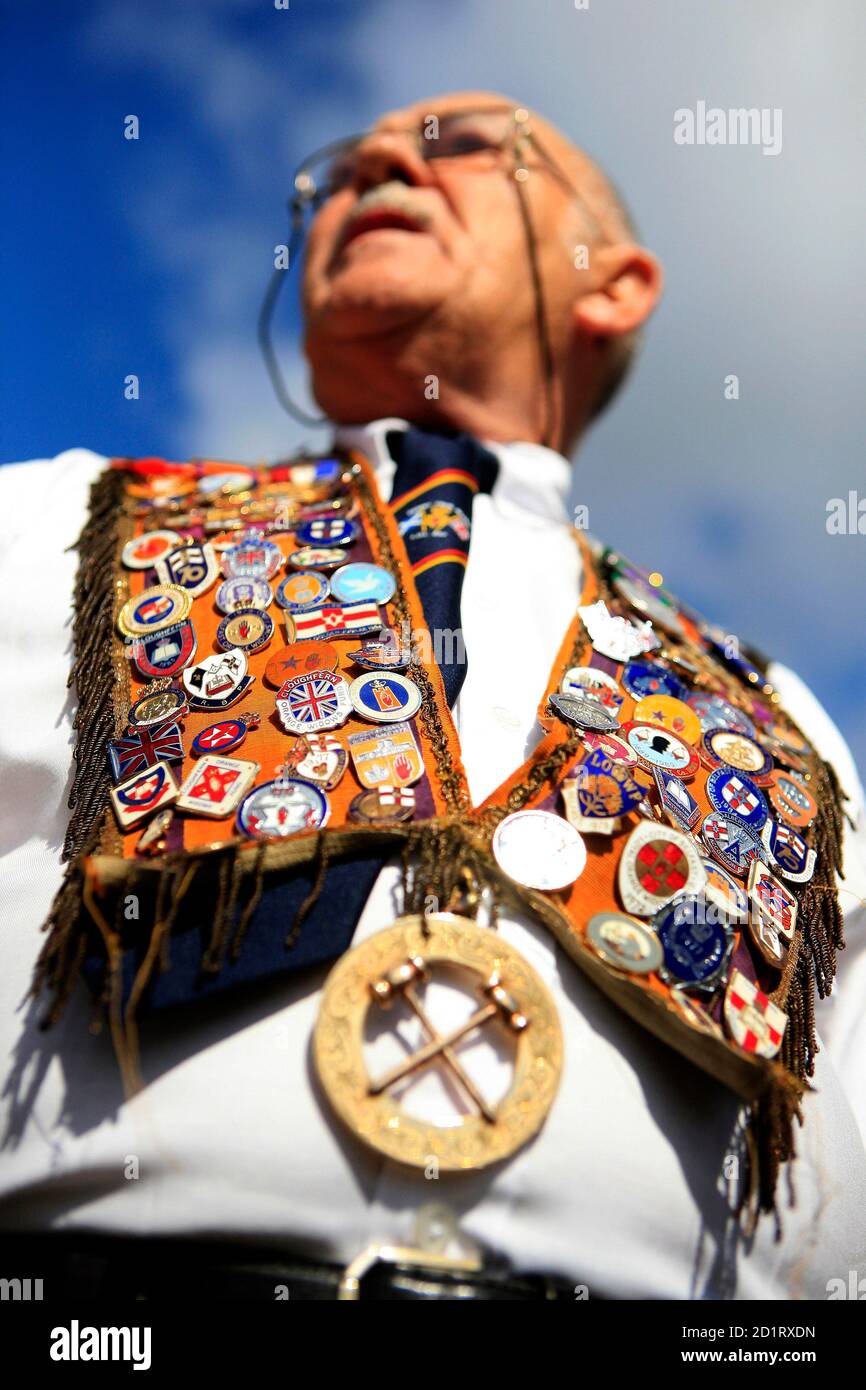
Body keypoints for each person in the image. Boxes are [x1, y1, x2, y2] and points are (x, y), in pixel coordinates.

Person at [0, 91, 864, 1302]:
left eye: (458, 144)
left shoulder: (772, 712)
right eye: (337, 176)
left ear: (610, 285)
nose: (380, 170)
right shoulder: (50, 519)